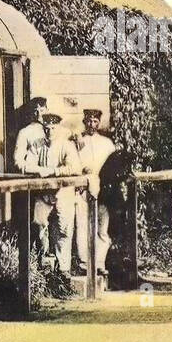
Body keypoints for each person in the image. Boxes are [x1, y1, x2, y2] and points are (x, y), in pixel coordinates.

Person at [16, 111, 81, 273]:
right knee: (39, 226)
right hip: (43, 194)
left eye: (53, 128)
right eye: (46, 129)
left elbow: (75, 168)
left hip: (63, 193)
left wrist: (53, 171)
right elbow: (24, 166)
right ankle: (43, 266)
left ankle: (63, 270)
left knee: (64, 230)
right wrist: (39, 170)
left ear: (58, 128)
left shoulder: (67, 145)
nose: (50, 132)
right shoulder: (38, 145)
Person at [72, 109, 118, 286]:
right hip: (83, 189)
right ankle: (85, 263)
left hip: (103, 190)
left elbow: (114, 167)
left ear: (99, 123)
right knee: (82, 225)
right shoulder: (77, 142)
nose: (91, 124)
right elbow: (72, 161)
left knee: (102, 228)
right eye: (89, 121)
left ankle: (99, 262)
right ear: (84, 121)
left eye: (95, 121)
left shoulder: (107, 143)